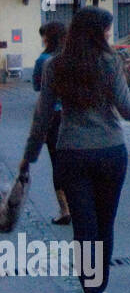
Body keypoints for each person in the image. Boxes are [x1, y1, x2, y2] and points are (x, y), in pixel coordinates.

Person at [20, 7, 130, 293]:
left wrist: (29, 158)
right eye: (107, 31)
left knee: (84, 230)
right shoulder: (109, 63)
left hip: (71, 152)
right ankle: (98, 292)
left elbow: (42, 118)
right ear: (98, 32)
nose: (109, 35)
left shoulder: (56, 65)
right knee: (104, 227)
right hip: (109, 151)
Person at [32, 21, 70, 225]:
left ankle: (64, 210)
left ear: (48, 37)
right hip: (73, 114)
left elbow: (37, 87)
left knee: (57, 162)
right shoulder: (74, 57)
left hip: (53, 116)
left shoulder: (43, 60)